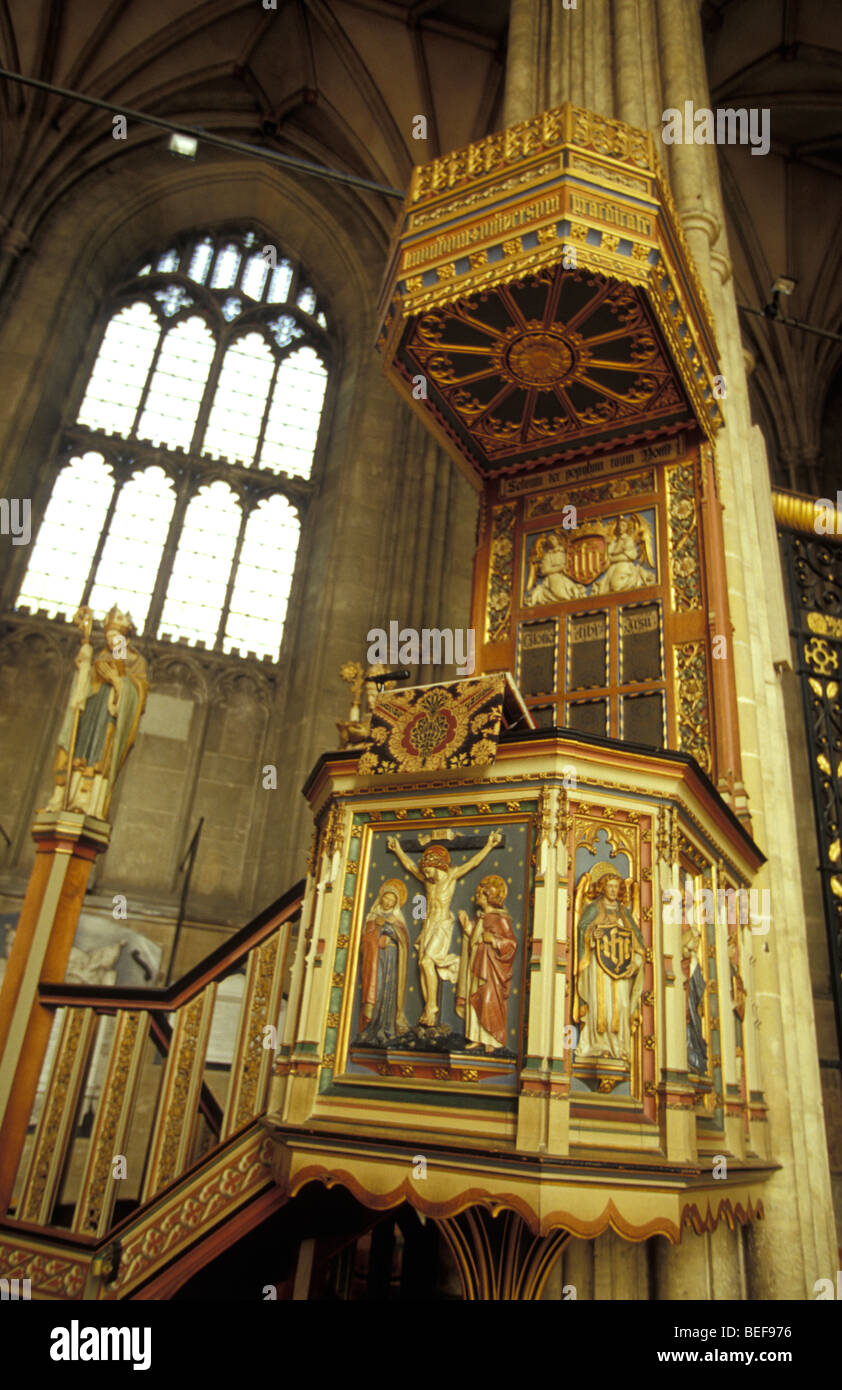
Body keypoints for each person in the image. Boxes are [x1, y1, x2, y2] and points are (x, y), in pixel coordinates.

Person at [387, 830, 502, 1027]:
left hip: (442, 924)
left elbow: (473, 863)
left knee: (426, 961)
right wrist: (397, 849)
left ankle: (432, 1006)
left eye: (428, 870)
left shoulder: (451, 876)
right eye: (424, 871)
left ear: (437, 865)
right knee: (423, 968)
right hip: (428, 924)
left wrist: (489, 845)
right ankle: (428, 1009)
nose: (425, 874)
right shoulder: (426, 881)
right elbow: (409, 866)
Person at [47, 606, 149, 820]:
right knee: (79, 754)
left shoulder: (136, 661)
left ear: (124, 637)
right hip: (91, 715)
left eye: (116, 636)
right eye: (109, 636)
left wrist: (118, 682)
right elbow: (83, 687)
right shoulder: (101, 655)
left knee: (101, 758)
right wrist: (84, 666)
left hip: (109, 720)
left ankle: (90, 805)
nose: (112, 641)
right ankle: (68, 799)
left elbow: (138, 693)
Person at [573, 862, 645, 1062]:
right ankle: (597, 1046)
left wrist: (636, 963)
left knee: (621, 1005)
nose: (613, 890)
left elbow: (637, 942)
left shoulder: (625, 913)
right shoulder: (593, 908)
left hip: (621, 972)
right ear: (603, 888)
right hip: (598, 968)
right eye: (610, 886)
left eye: (616, 886)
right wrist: (591, 935)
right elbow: (582, 929)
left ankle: (619, 1048)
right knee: (599, 1006)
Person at [456, 875, 517, 1052]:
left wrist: (494, 940)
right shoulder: (480, 918)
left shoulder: (501, 919)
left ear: (488, 896)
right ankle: (476, 1037)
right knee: (475, 998)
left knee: (489, 1000)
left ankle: (491, 1038)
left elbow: (512, 943)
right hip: (477, 964)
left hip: (491, 968)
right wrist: (467, 926)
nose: (477, 898)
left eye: (481, 895)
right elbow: (474, 938)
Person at [356, 879, 410, 1046]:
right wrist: (377, 933)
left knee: (388, 992)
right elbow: (364, 941)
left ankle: (386, 1029)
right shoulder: (372, 916)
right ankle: (370, 1028)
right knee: (376, 990)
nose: (388, 902)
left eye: (392, 900)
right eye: (386, 898)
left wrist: (389, 929)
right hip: (375, 960)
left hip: (391, 958)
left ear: (395, 903)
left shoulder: (397, 919)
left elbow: (404, 940)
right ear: (381, 898)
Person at [592, 514, 655, 593]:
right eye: (619, 525)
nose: (620, 527)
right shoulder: (614, 541)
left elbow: (629, 556)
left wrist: (612, 559)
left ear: (626, 528)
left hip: (624, 565)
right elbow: (610, 553)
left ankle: (632, 579)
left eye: (623, 526)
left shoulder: (628, 540)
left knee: (616, 586)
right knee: (604, 588)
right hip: (613, 567)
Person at [525, 532, 586, 606]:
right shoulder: (547, 556)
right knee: (560, 594)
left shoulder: (565, 552)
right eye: (549, 540)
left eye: (553, 539)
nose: (551, 541)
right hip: (553, 577)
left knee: (574, 591)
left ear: (558, 540)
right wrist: (559, 568)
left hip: (565, 577)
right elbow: (544, 570)